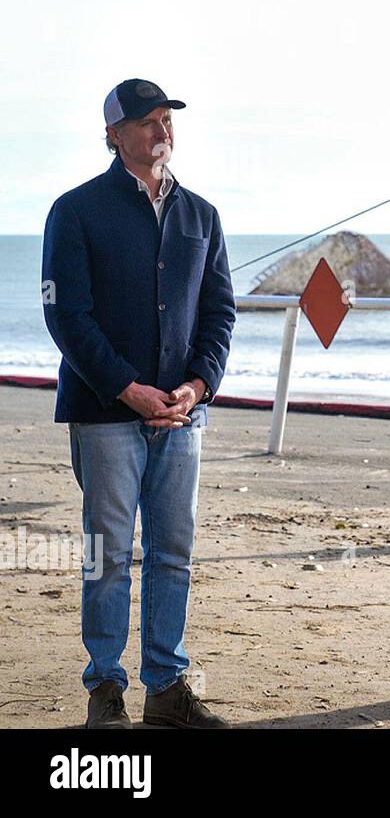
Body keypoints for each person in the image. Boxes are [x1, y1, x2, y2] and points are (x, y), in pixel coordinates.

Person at [41, 79, 236, 728]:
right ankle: (105, 691)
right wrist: (129, 388)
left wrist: (195, 387)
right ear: (114, 134)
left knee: (173, 553)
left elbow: (219, 314)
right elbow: (69, 318)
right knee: (109, 557)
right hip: (106, 419)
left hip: (182, 419)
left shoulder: (202, 216)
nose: (163, 131)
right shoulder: (75, 212)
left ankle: (167, 688)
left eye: (166, 120)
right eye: (147, 122)